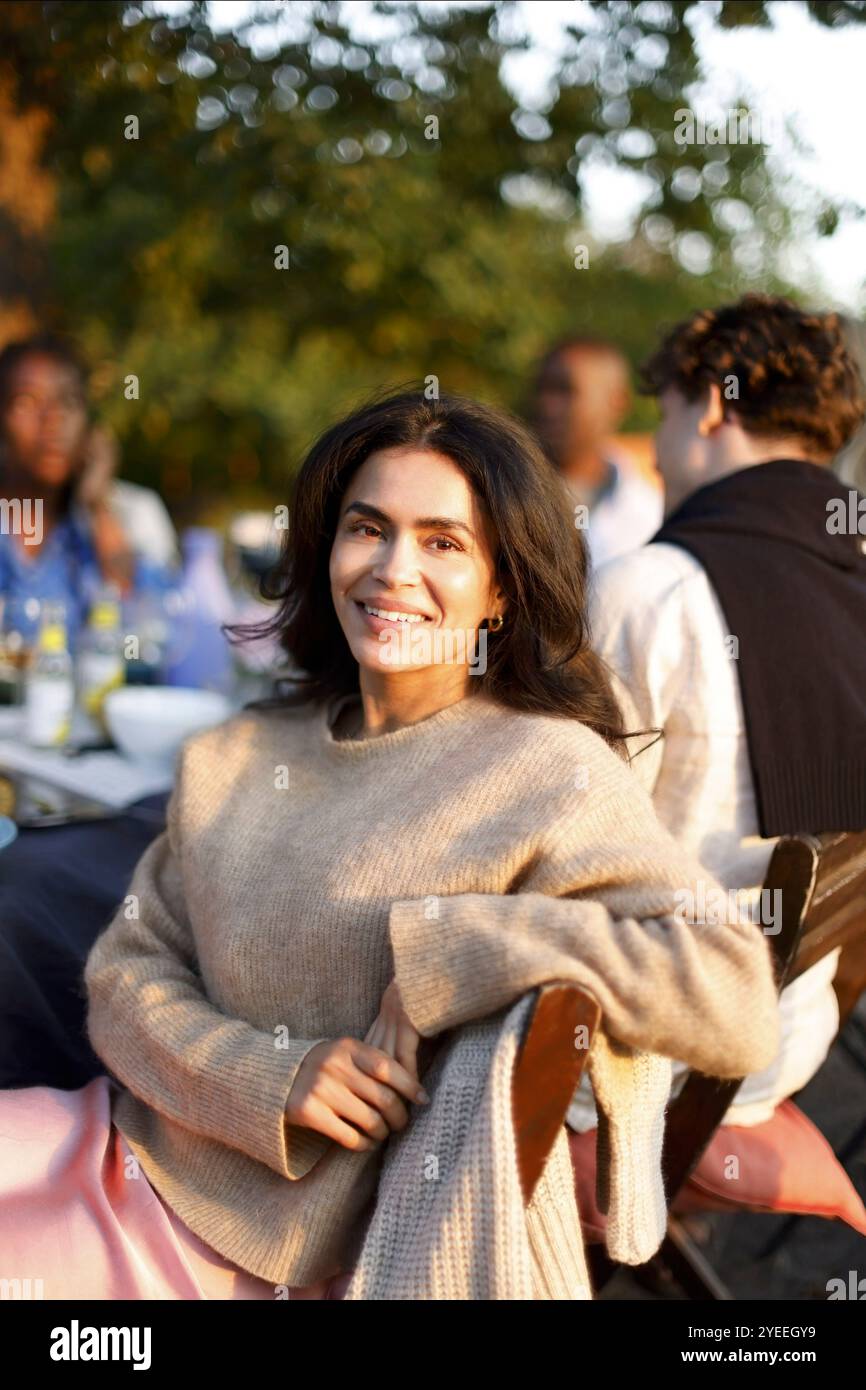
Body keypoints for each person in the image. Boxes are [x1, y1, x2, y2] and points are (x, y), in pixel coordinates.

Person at [0, 390, 780, 1299]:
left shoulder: (541, 768)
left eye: (444, 542)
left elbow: (730, 994)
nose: (393, 570)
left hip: (256, 1252)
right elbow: (127, 974)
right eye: (368, 529)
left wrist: (461, 946)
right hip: (117, 1144)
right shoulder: (239, 752)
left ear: (502, 587)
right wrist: (268, 1078)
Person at [568, 294, 866, 1140]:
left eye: (662, 419)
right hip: (785, 1041)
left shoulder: (648, 590)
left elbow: (554, 850)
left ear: (709, 407)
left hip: (630, 1066)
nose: (658, 455)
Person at [0, 334, 177, 649]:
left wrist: (98, 504)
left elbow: (148, 627)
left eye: (67, 403)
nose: (53, 421)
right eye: (26, 402)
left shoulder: (120, 517)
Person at [531, 335, 663, 568]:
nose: (547, 405)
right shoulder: (501, 494)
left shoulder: (650, 518)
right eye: (543, 389)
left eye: (565, 390)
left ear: (617, 402)